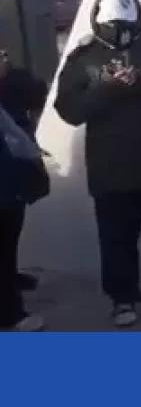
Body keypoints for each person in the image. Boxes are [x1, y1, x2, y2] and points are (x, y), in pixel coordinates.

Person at [54, 0, 141, 327]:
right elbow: (69, 110)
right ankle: (123, 298)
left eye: (126, 24)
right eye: (112, 25)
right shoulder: (83, 56)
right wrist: (106, 88)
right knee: (116, 239)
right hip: (111, 168)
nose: (120, 31)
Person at [0, 50, 47, 295]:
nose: (4, 59)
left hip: (15, 164)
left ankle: (10, 274)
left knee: (12, 226)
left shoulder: (16, 80)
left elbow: (37, 94)